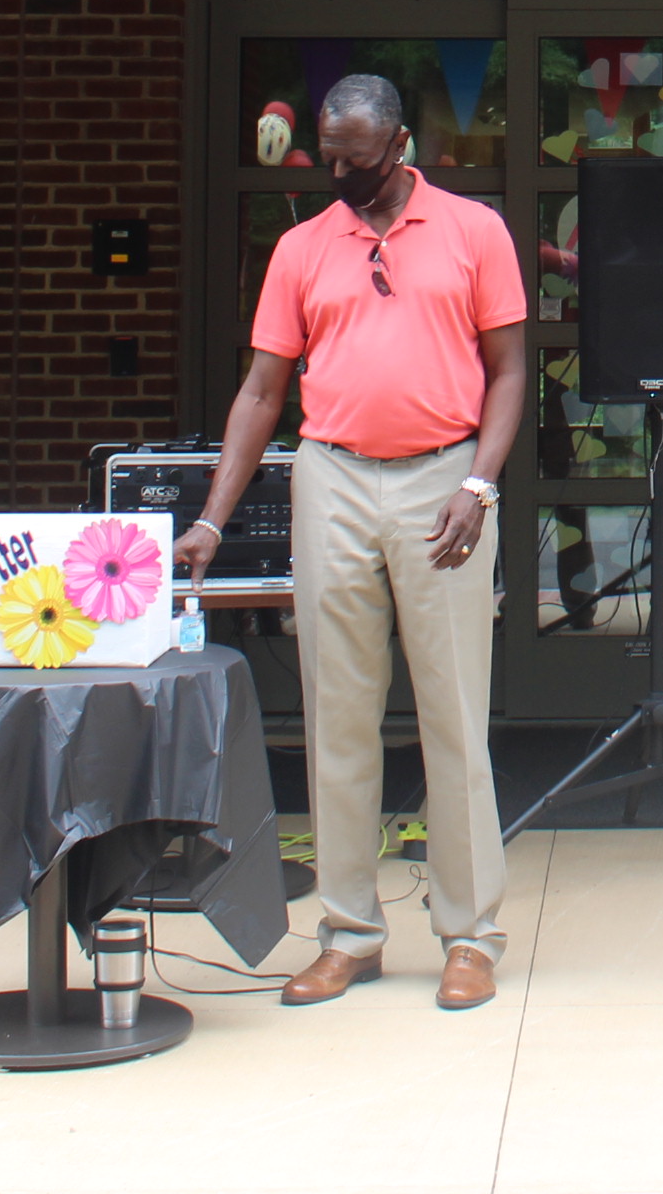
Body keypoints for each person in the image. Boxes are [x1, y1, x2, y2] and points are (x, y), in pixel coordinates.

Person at [175, 73, 529, 1012]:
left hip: (443, 477)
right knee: (337, 717)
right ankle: (348, 933)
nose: (339, 174)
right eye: (328, 157)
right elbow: (260, 391)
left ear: (401, 144)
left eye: (357, 160)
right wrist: (214, 515)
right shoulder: (302, 247)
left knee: (454, 715)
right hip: (329, 474)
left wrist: (479, 486)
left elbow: (509, 371)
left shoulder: (472, 231)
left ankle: (469, 936)